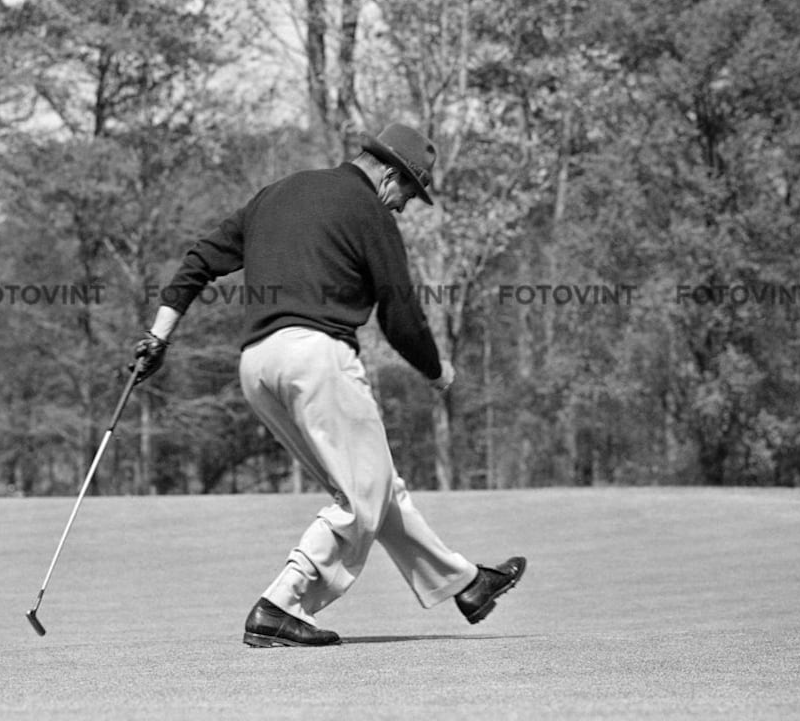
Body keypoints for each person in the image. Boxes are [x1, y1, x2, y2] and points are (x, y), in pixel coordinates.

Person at [133, 123, 525, 647]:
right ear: (390, 173)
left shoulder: (275, 195)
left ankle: (467, 585)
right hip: (317, 358)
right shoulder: (369, 210)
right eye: (409, 190)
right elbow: (400, 313)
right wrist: (435, 370)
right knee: (358, 496)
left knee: (375, 484)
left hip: (257, 365)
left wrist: (158, 338)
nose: (405, 205)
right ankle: (280, 605)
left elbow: (199, 262)